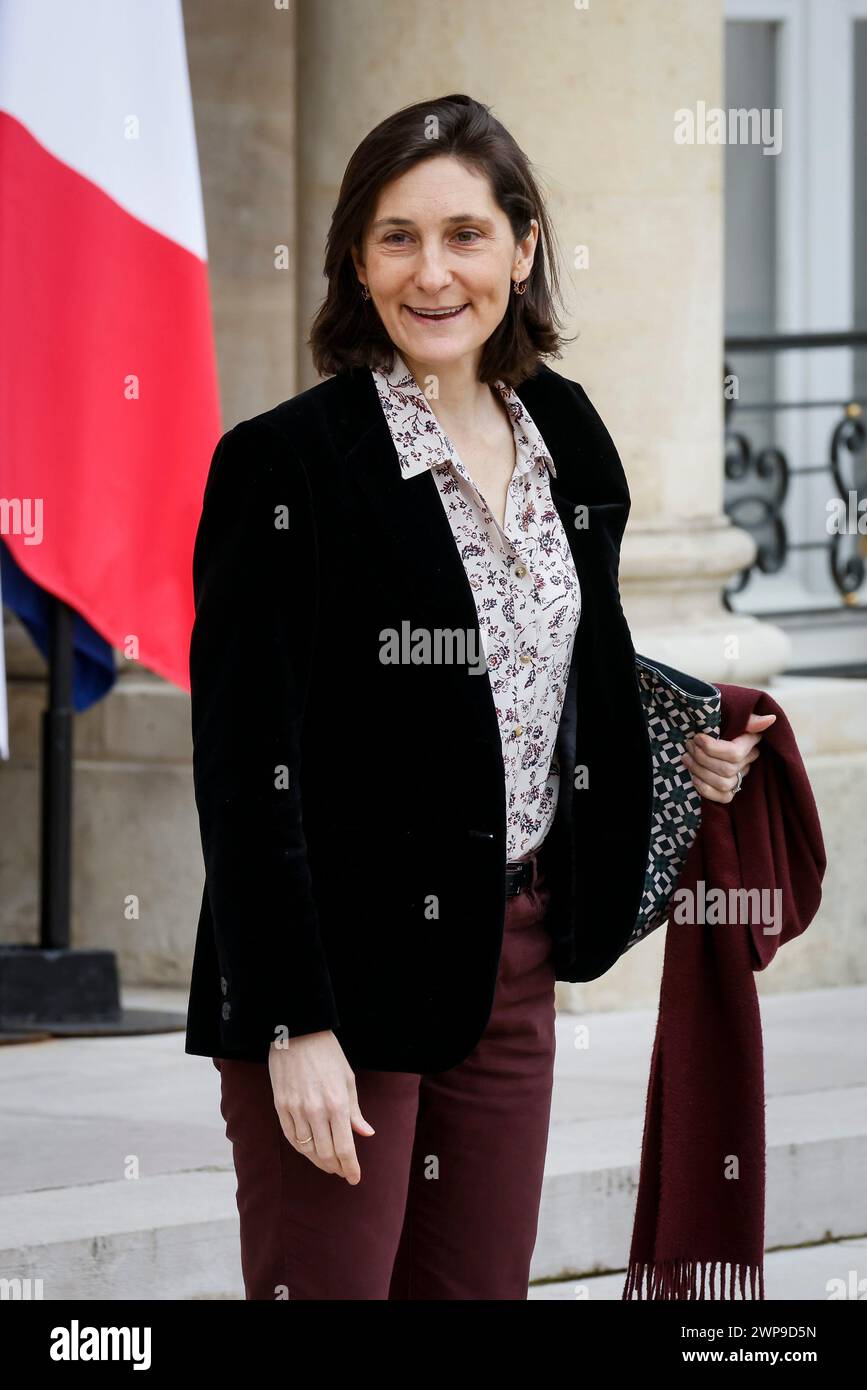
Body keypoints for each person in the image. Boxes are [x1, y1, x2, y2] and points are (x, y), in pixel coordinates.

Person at [184, 93, 773, 1301]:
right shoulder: (286, 466)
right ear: (356, 259)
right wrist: (293, 1023)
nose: (433, 272)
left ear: (523, 247)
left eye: (465, 234)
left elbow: (567, 650)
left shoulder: (567, 431)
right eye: (397, 237)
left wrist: (678, 729)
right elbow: (245, 769)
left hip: (511, 958)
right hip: (339, 976)